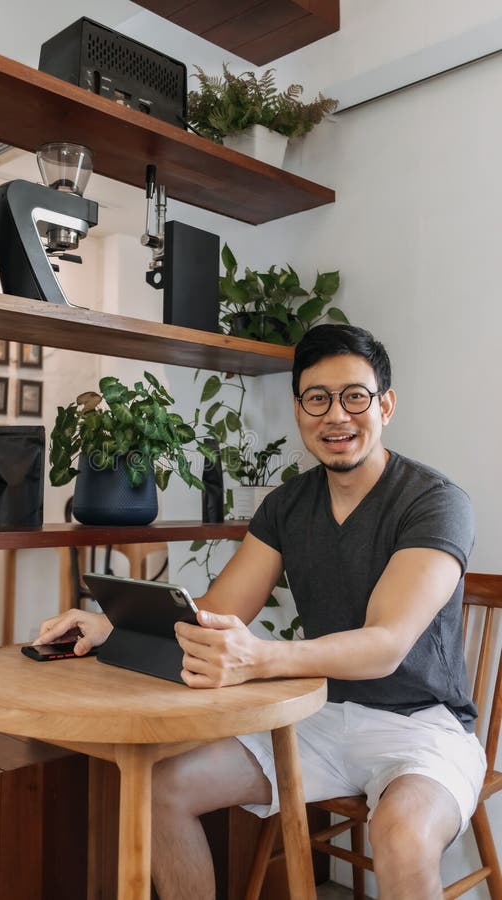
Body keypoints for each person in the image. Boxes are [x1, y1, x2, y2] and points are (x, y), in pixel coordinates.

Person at [35, 324, 486, 900]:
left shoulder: (435, 502)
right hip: (320, 714)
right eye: (316, 398)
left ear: (386, 405)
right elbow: (218, 613)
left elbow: (384, 644)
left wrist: (259, 659)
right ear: (299, 410)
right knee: (160, 790)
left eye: (355, 396)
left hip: (423, 726)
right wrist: (109, 625)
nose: (336, 416)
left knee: (399, 836)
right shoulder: (287, 506)